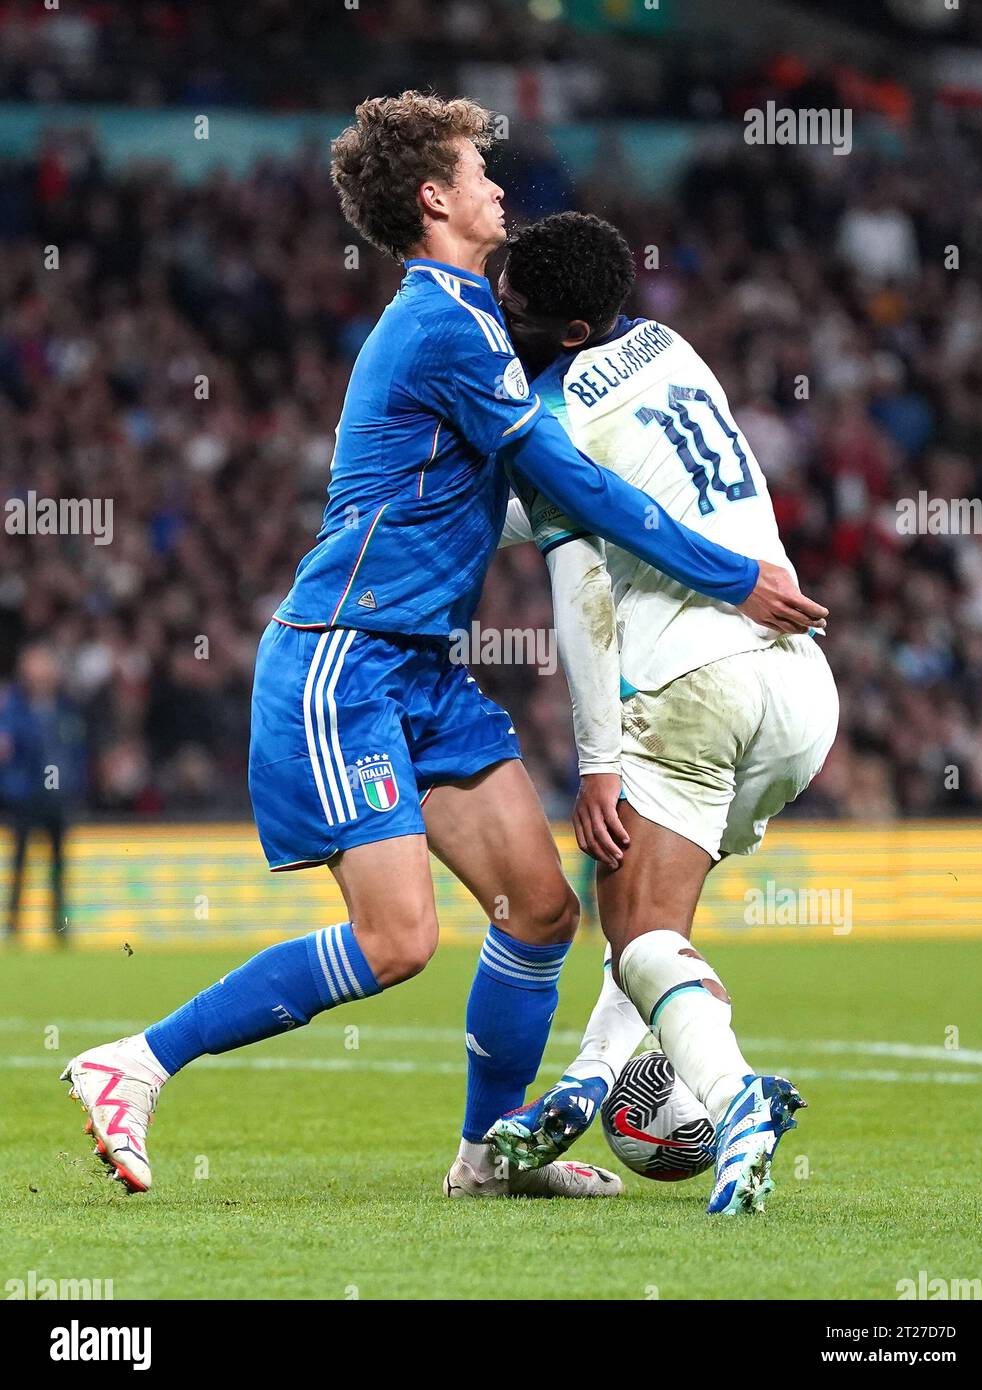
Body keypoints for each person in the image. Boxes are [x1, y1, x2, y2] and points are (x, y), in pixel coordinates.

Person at [60, 95, 826, 1200]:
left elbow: (537, 494)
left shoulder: (471, 318)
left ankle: (485, 1160)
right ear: (434, 197)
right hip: (345, 659)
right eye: (478, 172)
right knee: (397, 940)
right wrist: (731, 573)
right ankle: (134, 1062)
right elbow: (568, 484)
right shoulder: (443, 323)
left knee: (541, 910)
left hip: (422, 669)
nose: (498, 190)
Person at [488, 212, 839, 1214]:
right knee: (653, 931)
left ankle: (735, 1102)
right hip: (800, 690)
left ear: (565, 330)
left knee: (631, 920)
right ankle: (586, 1085)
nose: (498, 317)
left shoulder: (551, 418)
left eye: (515, 309)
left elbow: (582, 595)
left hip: (691, 683)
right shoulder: (672, 349)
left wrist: (598, 758)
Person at [0, 643, 86, 941]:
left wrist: (75, 784)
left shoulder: (64, 708)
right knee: (20, 861)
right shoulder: (15, 708)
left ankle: (59, 925)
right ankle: (13, 925)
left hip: (57, 797)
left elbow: (76, 749)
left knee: (58, 864)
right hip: (27, 796)